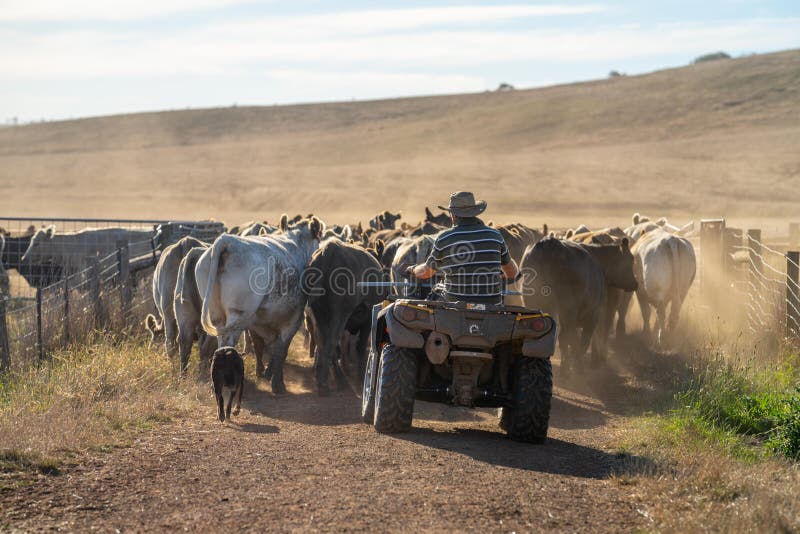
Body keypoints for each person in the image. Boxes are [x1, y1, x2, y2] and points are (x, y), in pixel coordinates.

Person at [406, 191, 519, 305]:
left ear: (453, 215)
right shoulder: (495, 236)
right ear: (475, 212)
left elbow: (426, 273)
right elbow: (512, 273)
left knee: (436, 292)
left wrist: (413, 270)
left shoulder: (444, 238)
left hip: (455, 307)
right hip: (492, 306)